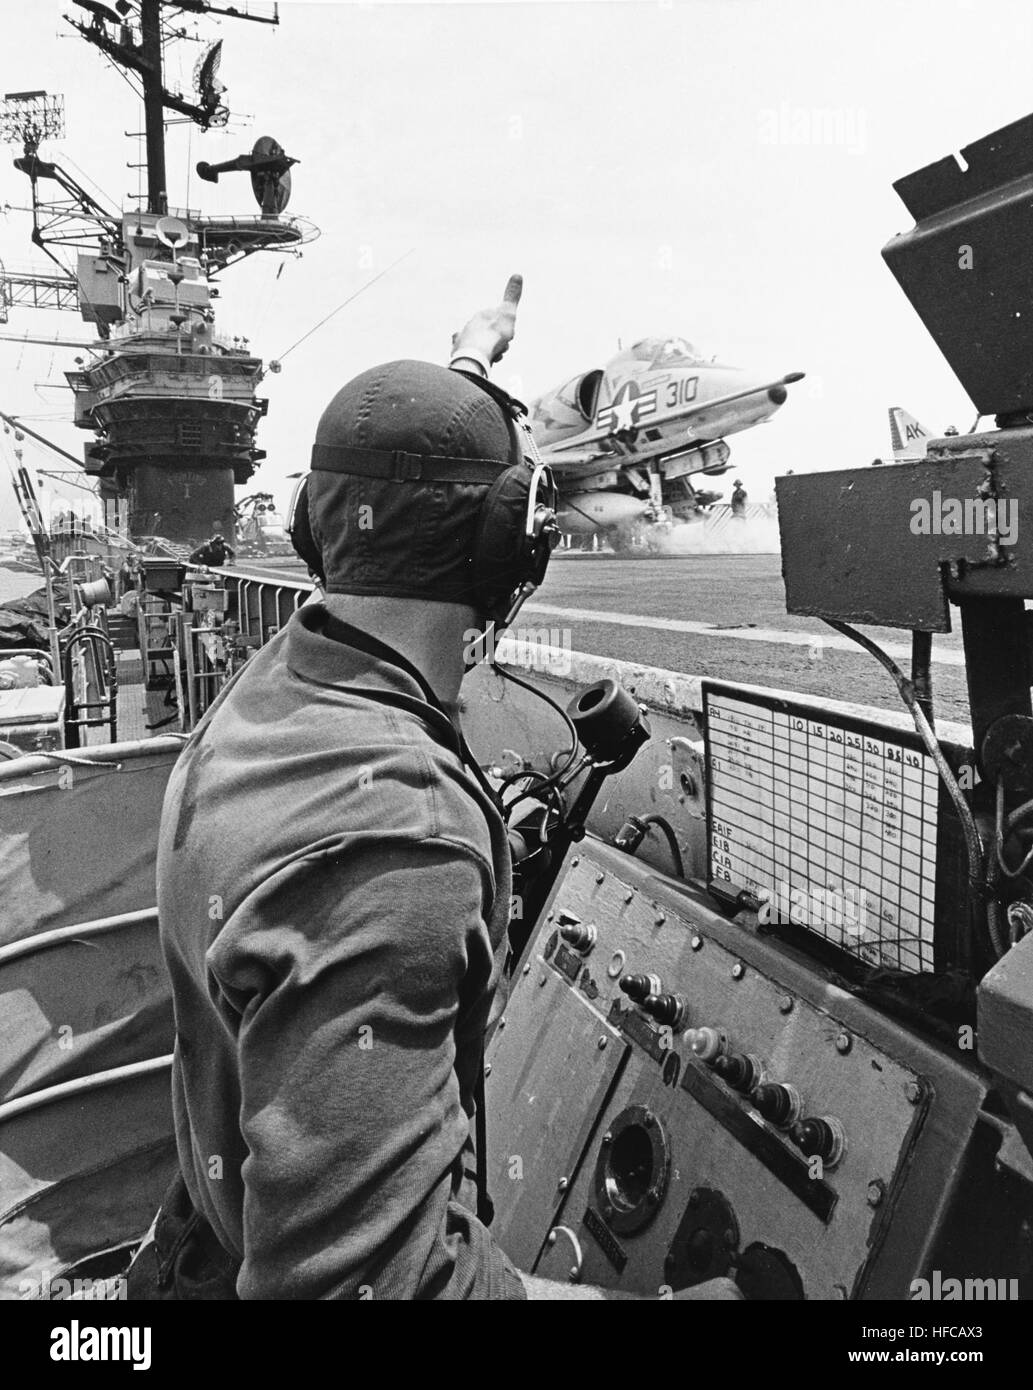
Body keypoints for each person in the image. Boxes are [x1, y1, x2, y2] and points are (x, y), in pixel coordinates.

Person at [130, 277, 738, 1303]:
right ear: (508, 548)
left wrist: (469, 361)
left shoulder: (270, 684)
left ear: (322, 532)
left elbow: (399, 474)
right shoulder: (396, 844)